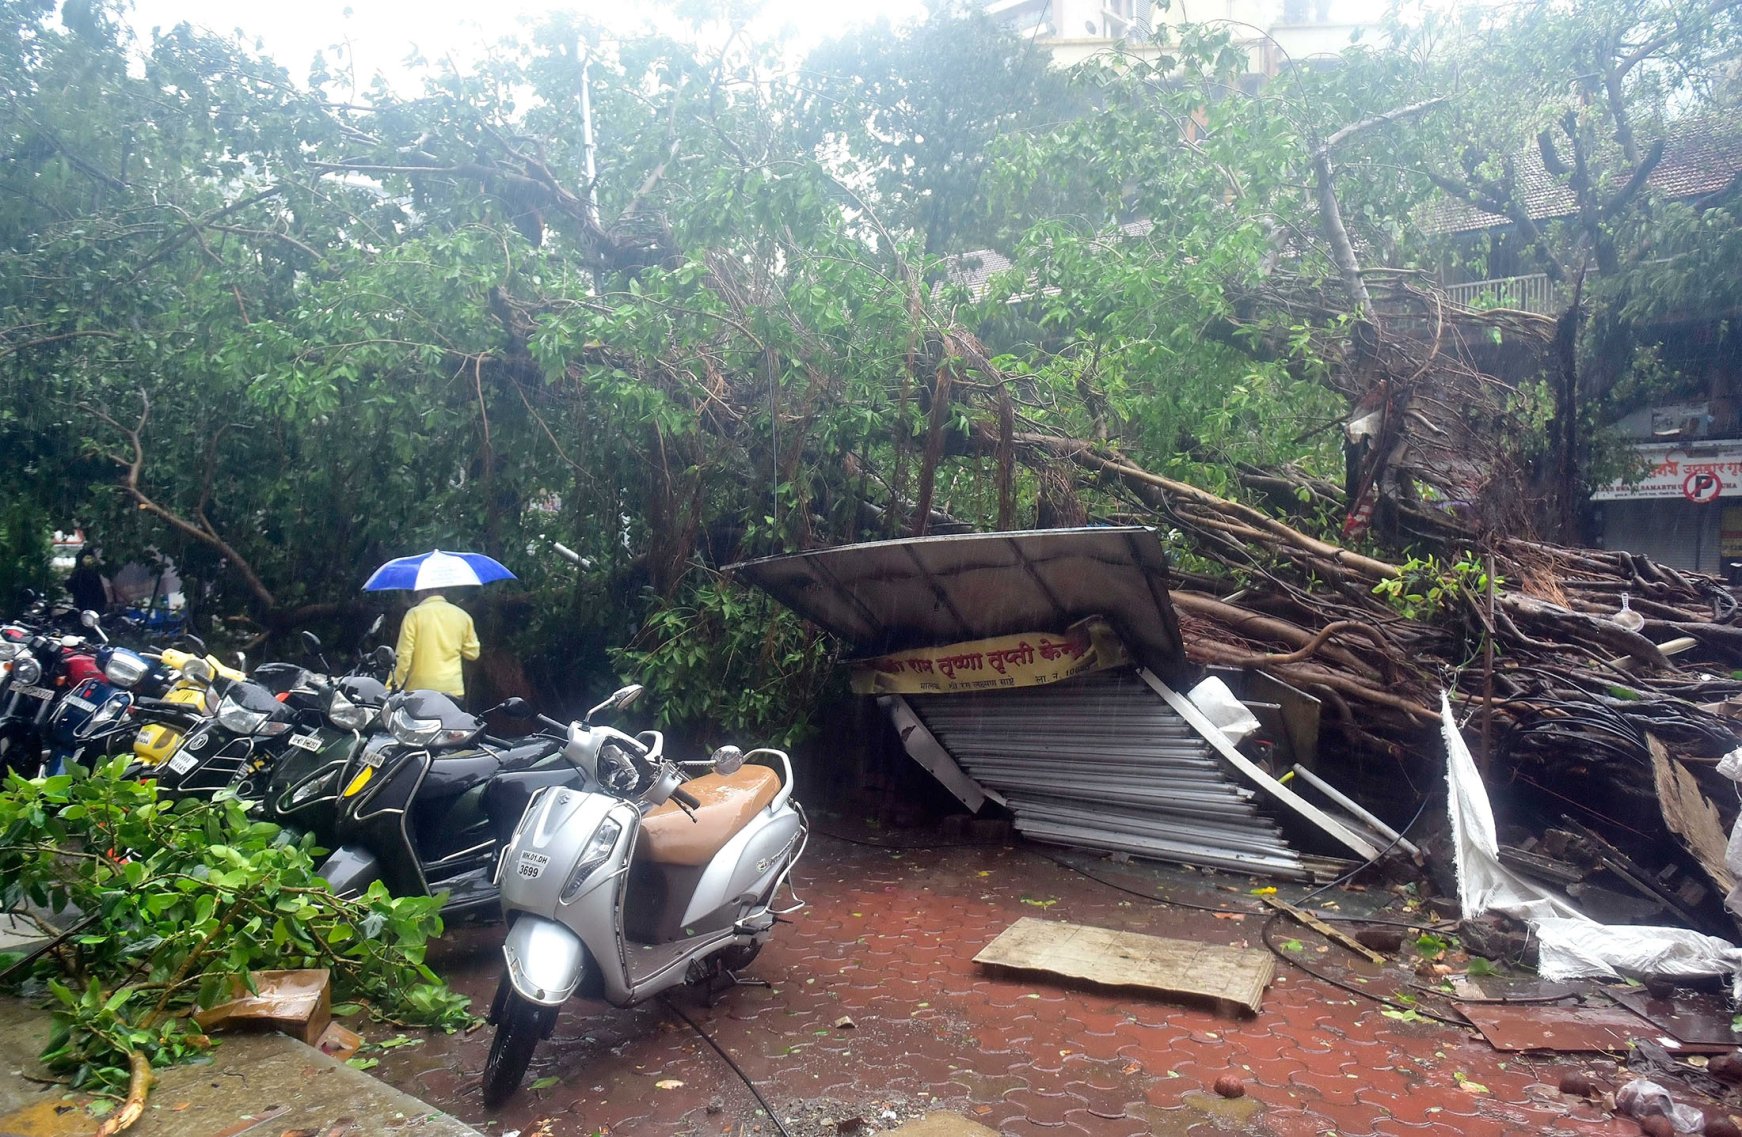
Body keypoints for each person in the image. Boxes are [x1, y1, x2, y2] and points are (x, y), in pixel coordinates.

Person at [390, 588, 481, 699]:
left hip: (419, 689)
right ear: (444, 591)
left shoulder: (414, 615)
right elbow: (473, 654)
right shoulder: (463, 616)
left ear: (422, 591)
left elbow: (403, 657)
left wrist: (391, 688)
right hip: (452, 690)